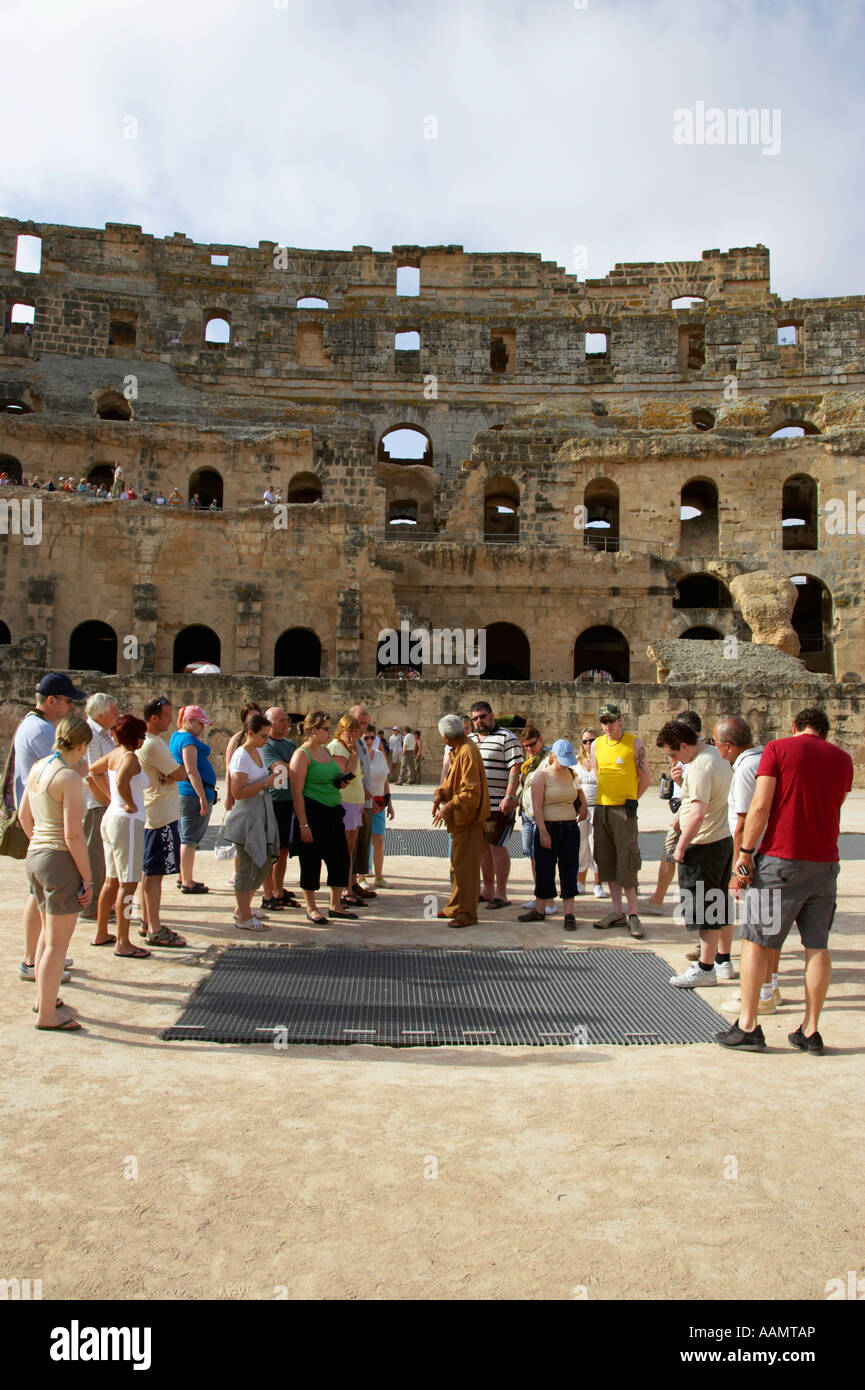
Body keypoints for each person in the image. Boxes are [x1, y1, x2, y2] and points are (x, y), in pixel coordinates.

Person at [716, 707, 853, 1054]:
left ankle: (748, 1024)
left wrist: (745, 853)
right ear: (824, 731)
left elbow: (760, 807)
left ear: (795, 726)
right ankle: (810, 1029)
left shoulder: (778, 750)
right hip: (825, 863)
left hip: (781, 859)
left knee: (755, 941)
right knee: (817, 946)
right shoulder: (843, 760)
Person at [18, 713, 94, 1030]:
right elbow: (73, 835)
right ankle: (46, 1014)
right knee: (56, 945)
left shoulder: (38, 768)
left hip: (35, 855)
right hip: (58, 859)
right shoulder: (68, 777)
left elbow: (24, 816)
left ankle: (43, 998)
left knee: (47, 938)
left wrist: (39, 841)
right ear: (83, 745)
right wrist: (88, 878)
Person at [14, 672, 87, 984]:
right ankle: (37, 960)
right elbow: (73, 766)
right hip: (51, 832)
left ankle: (39, 958)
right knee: (43, 903)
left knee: (38, 896)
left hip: (42, 830)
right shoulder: (43, 730)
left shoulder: (32, 725)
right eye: (68, 701)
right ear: (51, 700)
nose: (71, 707)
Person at [655, 720, 733, 988]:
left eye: (674, 754)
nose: (674, 759)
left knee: (705, 909)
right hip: (721, 840)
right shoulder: (716, 754)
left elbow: (698, 812)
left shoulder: (700, 766)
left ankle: (706, 968)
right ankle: (715, 961)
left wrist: (680, 846)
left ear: (685, 746)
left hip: (703, 845)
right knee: (716, 904)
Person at [713, 716, 771, 1007]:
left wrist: (739, 868)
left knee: (755, 930)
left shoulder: (746, 768)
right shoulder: (765, 758)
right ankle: (769, 986)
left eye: (716, 743)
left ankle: (761, 994)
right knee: (767, 927)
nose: (715, 748)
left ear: (728, 746)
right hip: (771, 854)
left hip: (755, 857)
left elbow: (743, 821)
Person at [87, 713, 151, 959]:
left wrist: (111, 799)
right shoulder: (130, 758)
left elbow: (93, 771)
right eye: (142, 737)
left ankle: (101, 932)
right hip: (127, 822)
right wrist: (128, 802)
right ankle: (123, 941)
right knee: (128, 883)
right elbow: (123, 779)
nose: (144, 741)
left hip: (112, 819)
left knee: (111, 880)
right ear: (135, 738)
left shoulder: (114, 754)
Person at [288, 711, 355, 925]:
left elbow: (331, 777)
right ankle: (311, 906)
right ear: (314, 730)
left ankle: (335, 904)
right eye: (326, 728)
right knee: (311, 860)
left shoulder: (325, 751)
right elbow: (296, 792)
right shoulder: (302, 755)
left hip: (333, 812)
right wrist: (303, 823)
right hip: (313, 812)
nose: (330, 731)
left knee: (340, 858)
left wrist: (341, 781)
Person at [591, 703, 650, 939]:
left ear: (620, 720)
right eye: (604, 722)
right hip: (603, 808)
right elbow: (597, 772)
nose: (608, 726)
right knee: (606, 859)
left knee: (627, 859)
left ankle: (633, 913)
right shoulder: (596, 745)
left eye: (611, 721)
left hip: (623, 810)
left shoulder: (634, 743)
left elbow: (645, 776)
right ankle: (616, 911)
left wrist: (632, 800)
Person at [519, 741, 586, 930]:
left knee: (569, 870)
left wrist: (584, 806)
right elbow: (537, 807)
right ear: (554, 756)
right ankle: (540, 909)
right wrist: (542, 831)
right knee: (544, 870)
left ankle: (569, 914)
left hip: (570, 827)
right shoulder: (542, 776)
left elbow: (580, 795)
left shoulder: (573, 774)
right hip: (548, 825)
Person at [641, 709, 703, 918]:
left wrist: (679, 816)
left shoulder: (699, 759)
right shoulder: (689, 754)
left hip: (689, 815)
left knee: (675, 855)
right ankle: (660, 898)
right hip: (682, 811)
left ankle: (661, 900)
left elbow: (698, 794)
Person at [137, 696, 187, 947]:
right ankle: (154, 928)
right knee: (154, 874)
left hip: (154, 813)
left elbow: (172, 774)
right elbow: (179, 772)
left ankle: (147, 921)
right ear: (153, 718)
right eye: (167, 715)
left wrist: (171, 774)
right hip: (160, 816)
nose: (170, 719)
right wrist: (173, 774)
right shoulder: (153, 745)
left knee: (150, 872)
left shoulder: (150, 742)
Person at [223, 712, 280, 931]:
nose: (267, 740)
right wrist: (265, 783)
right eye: (263, 736)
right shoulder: (241, 755)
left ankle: (244, 907)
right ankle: (243, 915)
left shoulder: (256, 752)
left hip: (260, 813)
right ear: (250, 733)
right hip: (247, 816)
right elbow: (238, 791)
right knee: (248, 865)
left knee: (263, 861)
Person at [433, 714, 490, 927]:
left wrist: (448, 806)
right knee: (457, 865)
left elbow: (470, 792)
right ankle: (454, 906)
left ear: (446, 737)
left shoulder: (467, 752)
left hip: (468, 820)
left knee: (466, 868)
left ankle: (468, 913)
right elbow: (451, 781)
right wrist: (440, 795)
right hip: (459, 822)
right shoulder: (459, 749)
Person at [469, 701, 524, 910]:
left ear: (492, 715)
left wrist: (509, 797)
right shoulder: (471, 739)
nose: (479, 721)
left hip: (498, 805)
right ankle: (488, 890)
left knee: (497, 847)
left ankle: (502, 893)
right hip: (477, 805)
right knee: (483, 849)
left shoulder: (507, 737)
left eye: (482, 716)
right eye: (475, 718)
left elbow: (515, 768)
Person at [79, 693, 119, 925]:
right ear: (101, 713)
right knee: (94, 856)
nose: (117, 713)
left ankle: (100, 904)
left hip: (103, 803)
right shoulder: (92, 735)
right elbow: (92, 774)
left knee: (102, 857)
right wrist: (109, 801)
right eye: (114, 710)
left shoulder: (102, 733)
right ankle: (91, 908)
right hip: (96, 804)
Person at [169, 706, 217, 892]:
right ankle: (187, 881)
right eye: (200, 723)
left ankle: (184, 877)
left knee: (186, 837)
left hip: (186, 793)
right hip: (191, 794)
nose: (202, 728)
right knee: (189, 839)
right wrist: (202, 797)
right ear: (190, 721)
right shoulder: (188, 740)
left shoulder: (177, 736)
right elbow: (191, 770)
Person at [259, 706, 299, 910]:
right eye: (281, 720)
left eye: (287, 719)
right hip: (274, 803)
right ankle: (267, 895)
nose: (287, 723)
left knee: (283, 850)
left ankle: (278, 890)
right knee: (270, 851)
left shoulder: (290, 744)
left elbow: (299, 766)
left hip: (289, 801)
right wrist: (296, 769)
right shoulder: (267, 746)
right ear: (270, 724)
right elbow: (281, 769)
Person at [328, 715, 366, 908]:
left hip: (355, 802)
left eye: (355, 730)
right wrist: (353, 753)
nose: (353, 734)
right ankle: (343, 890)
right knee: (342, 848)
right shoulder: (337, 747)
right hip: (345, 802)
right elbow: (347, 776)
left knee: (349, 848)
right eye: (349, 730)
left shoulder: (352, 748)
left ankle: (347, 887)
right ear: (340, 730)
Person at [516, 725, 551, 911]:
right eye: (526, 746)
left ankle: (549, 900)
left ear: (540, 740)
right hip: (527, 813)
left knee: (543, 858)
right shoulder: (528, 762)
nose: (529, 749)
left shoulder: (548, 761)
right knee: (532, 856)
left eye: (532, 744)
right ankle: (539, 896)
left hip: (541, 815)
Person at [348, 704, 377, 903]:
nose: (364, 727)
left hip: (364, 799)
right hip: (353, 800)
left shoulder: (361, 742)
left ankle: (355, 882)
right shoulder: (347, 743)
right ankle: (347, 885)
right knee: (351, 844)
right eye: (360, 722)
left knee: (362, 844)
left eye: (366, 723)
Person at [361, 728, 395, 888]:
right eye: (365, 737)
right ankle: (361, 877)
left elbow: (385, 780)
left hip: (380, 803)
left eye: (371, 737)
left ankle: (379, 877)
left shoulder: (380, 755)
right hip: (364, 803)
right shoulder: (358, 757)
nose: (368, 740)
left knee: (379, 842)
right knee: (363, 842)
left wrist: (390, 804)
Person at [576, 727, 604, 897]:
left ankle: (598, 883)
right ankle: (580, 882)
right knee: (581, 845)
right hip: (581, 808)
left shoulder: (602, 761)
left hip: (598, 807)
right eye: (585, 741)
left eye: (592, 740)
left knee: (596, 846)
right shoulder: (576, 761)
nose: (588, 744)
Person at [224, 704, 263, 812]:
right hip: (242, 791)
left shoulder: (263, 739)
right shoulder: (237, 739)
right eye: (251, 718)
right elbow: (229, 769)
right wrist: (229, 795)